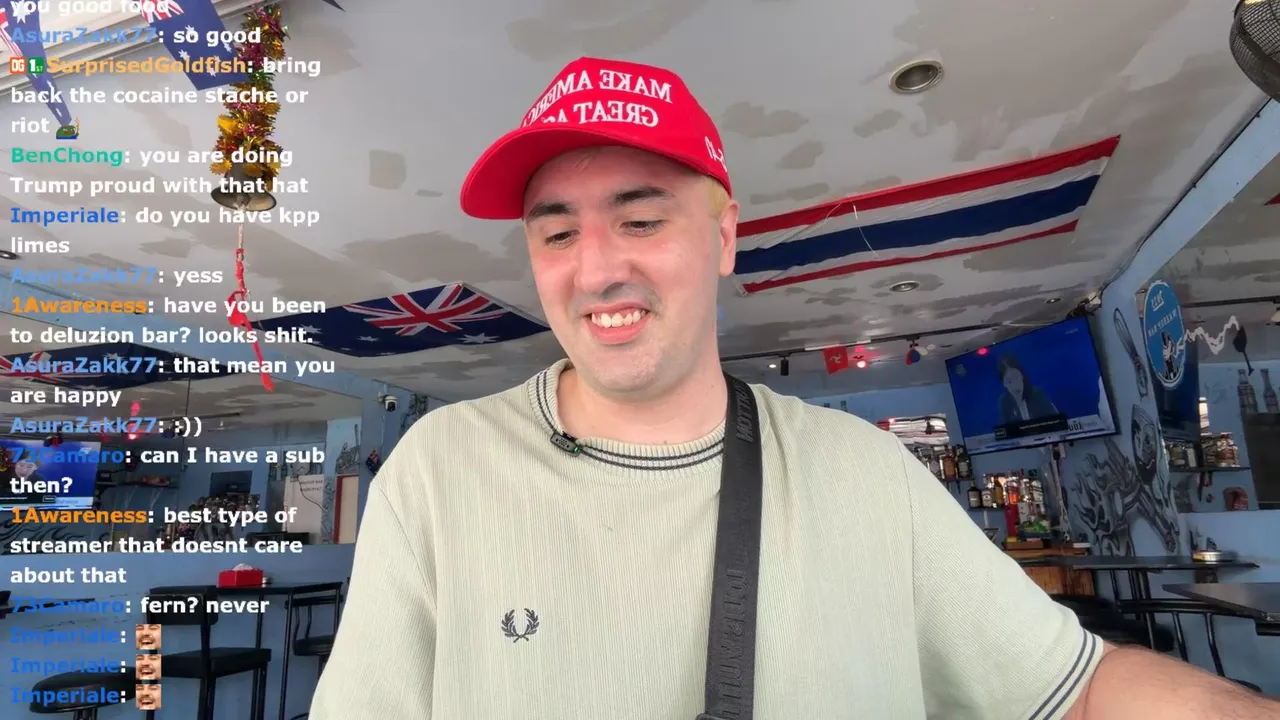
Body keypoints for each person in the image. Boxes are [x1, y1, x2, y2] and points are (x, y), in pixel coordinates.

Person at [310, 57, 1278, 719]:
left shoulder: (867, 476)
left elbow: (1080, 689)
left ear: (724, 236)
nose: (595, 268)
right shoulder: (438, 475)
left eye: (641, 221)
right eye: (557, 233)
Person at [997, 354, 1060, 425]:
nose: (1015, 385)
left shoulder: (1037, 394)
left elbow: (1056, 420)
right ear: (1004, 384)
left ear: (1022, 376)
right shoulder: (1004, 402)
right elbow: (1006, 428)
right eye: (1009, 381)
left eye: (1016, 378)